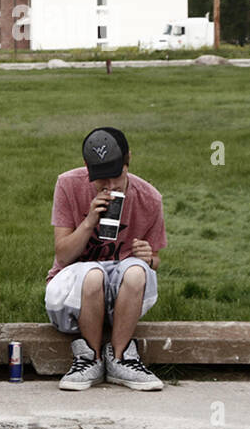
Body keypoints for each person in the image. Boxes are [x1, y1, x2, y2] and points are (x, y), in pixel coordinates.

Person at [47, 127, 166, 391]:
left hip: (120, 297)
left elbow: (155, 261)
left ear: (128, 161)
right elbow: (63, 255)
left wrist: (149, 257)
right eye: (101, 181)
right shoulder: (68, 184)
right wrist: (89, 221)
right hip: (73, 295)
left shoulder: (150, 198)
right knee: (93, 273)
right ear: (88, 169)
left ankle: (121, 357)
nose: (110, 187)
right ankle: (89, 357)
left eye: (116, 177)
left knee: (136, 270)